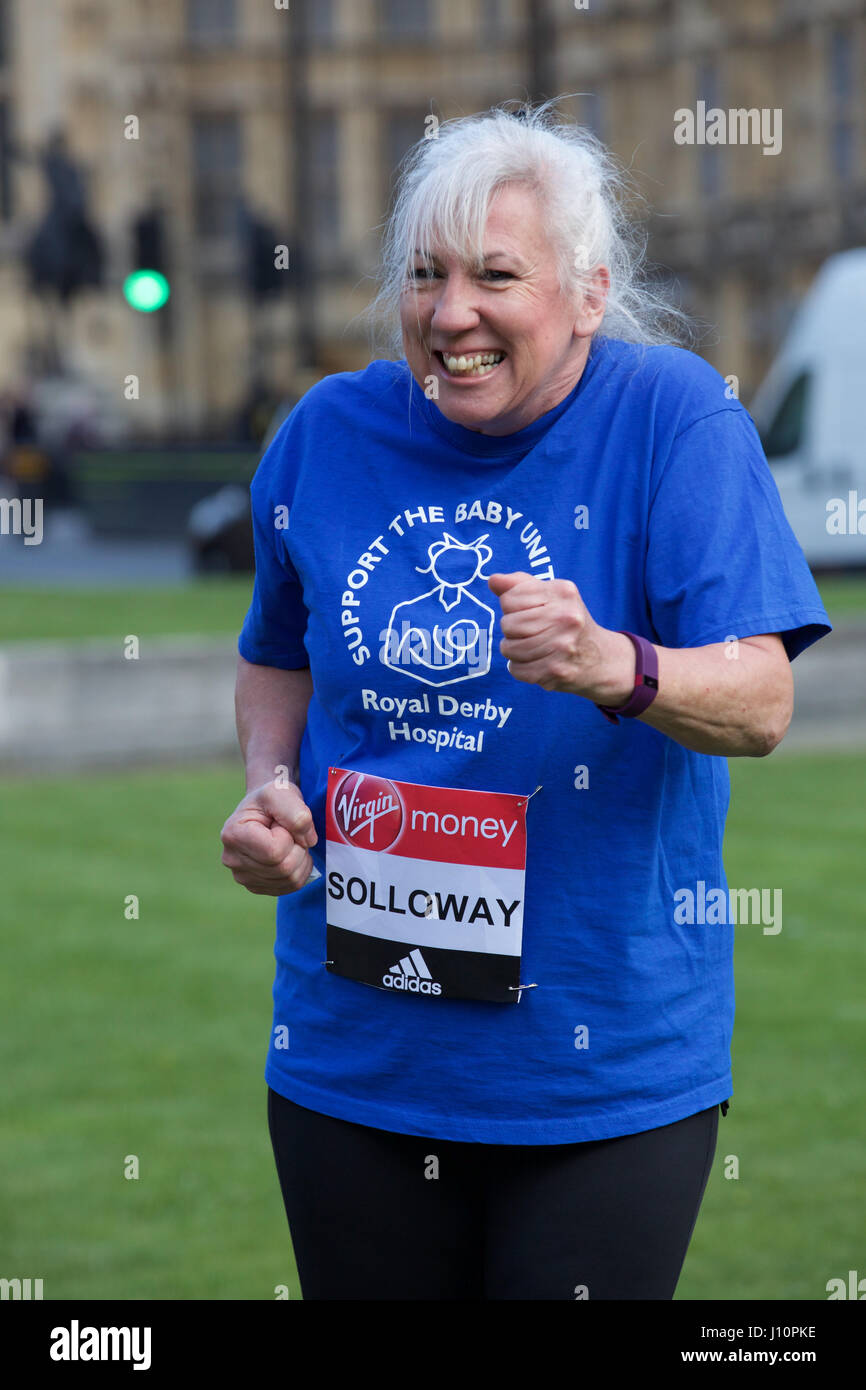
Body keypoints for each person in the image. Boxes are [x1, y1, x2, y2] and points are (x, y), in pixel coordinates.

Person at [220, 101, 831, 1301]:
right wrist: (268, 785)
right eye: (425, 274)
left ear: (588, 293)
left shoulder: (672, 420)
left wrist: (616, 662)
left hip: (596, 1075)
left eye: (495, 275)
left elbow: (759, 701)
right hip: (355, 1057)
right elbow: (273, 648)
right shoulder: (324, 434)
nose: (451, 314)